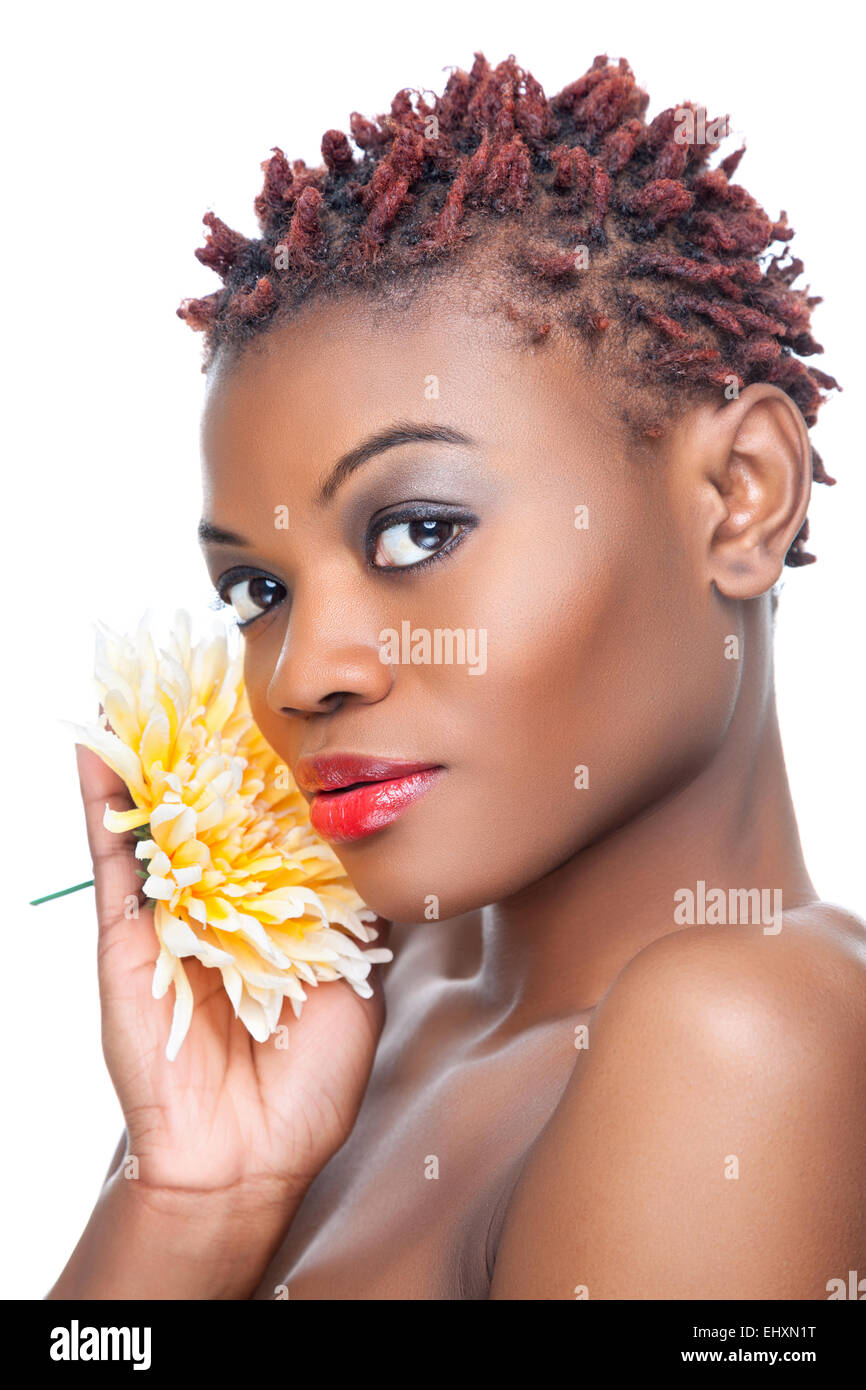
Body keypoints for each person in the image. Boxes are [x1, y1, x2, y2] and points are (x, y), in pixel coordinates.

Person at [49, 51, 865, 1301]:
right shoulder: (353, 1003)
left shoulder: (741, 1035)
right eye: (257, 590)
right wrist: (187, 1201)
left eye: (416, 531)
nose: (302, 672)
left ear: (739, 494)